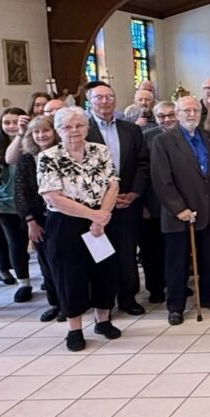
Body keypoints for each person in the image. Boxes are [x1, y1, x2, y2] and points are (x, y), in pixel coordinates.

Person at [36, 106, 122, 350]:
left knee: (105, 271)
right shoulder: (48, 157)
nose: (74, 131)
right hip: (66, 223)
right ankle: (74, 329)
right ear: (58, 130)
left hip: (102, 219)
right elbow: (53, 198)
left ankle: (103, 320)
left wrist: (100, 217)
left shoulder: (100, 151)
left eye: (79, 126)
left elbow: (113, 185)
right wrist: (93, 215)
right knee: (69, 275)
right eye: (67, 127)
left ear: (87, 127)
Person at [151, 96, 210, 326]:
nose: (192, 114)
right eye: (186, 110)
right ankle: (175, 305)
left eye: (195, 110)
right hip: (180, 213)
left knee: (208, 258)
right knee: (177, 262)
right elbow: (161, 179)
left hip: (208, 211)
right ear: (177, 113)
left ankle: (207, 294)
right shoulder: (163, 141)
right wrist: (179, 208)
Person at [86, 81, 149, 317]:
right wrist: (104, 199)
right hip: (95, 206)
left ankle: (127, 297)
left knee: (126, 253)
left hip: (126, 203)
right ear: (90, 102)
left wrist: (134, 192)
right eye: (99, 97)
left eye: (109, 97)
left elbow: (143, 163)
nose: (104, 101)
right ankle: (103, 302)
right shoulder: (84, 129)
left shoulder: (130, 129)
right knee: (100, 254)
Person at [15, 115, 64, 321]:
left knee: (66, 263)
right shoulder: (27, 159)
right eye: (36, 132)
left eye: (45, 130)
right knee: (47, 264)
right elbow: (21, 192)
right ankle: (55, 303)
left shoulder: (65, 155)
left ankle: (71, 303)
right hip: (39, 219)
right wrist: (30, 221)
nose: (41, 135)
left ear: (55, 132)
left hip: (64, 216)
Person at [0, 108, 32, 301]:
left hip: (31, 204)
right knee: (16, 244)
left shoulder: (32, 143)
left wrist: (23, 134)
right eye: (6, 122)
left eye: (16, 122)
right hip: (7, 204)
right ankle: (23, 282)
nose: (11, 126)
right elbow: (9, 160)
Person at [140, 100, 177, 304]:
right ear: (155, 118)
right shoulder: (146, 138)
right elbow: (142, 172)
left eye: (171, 114)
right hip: (152, 204)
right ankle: (155, 288)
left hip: (179, 203)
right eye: (162, 116)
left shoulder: (185, 136)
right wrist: (143, 203)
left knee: (174, 249)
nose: (167, 119)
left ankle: (174, 283)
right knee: (152, 249)